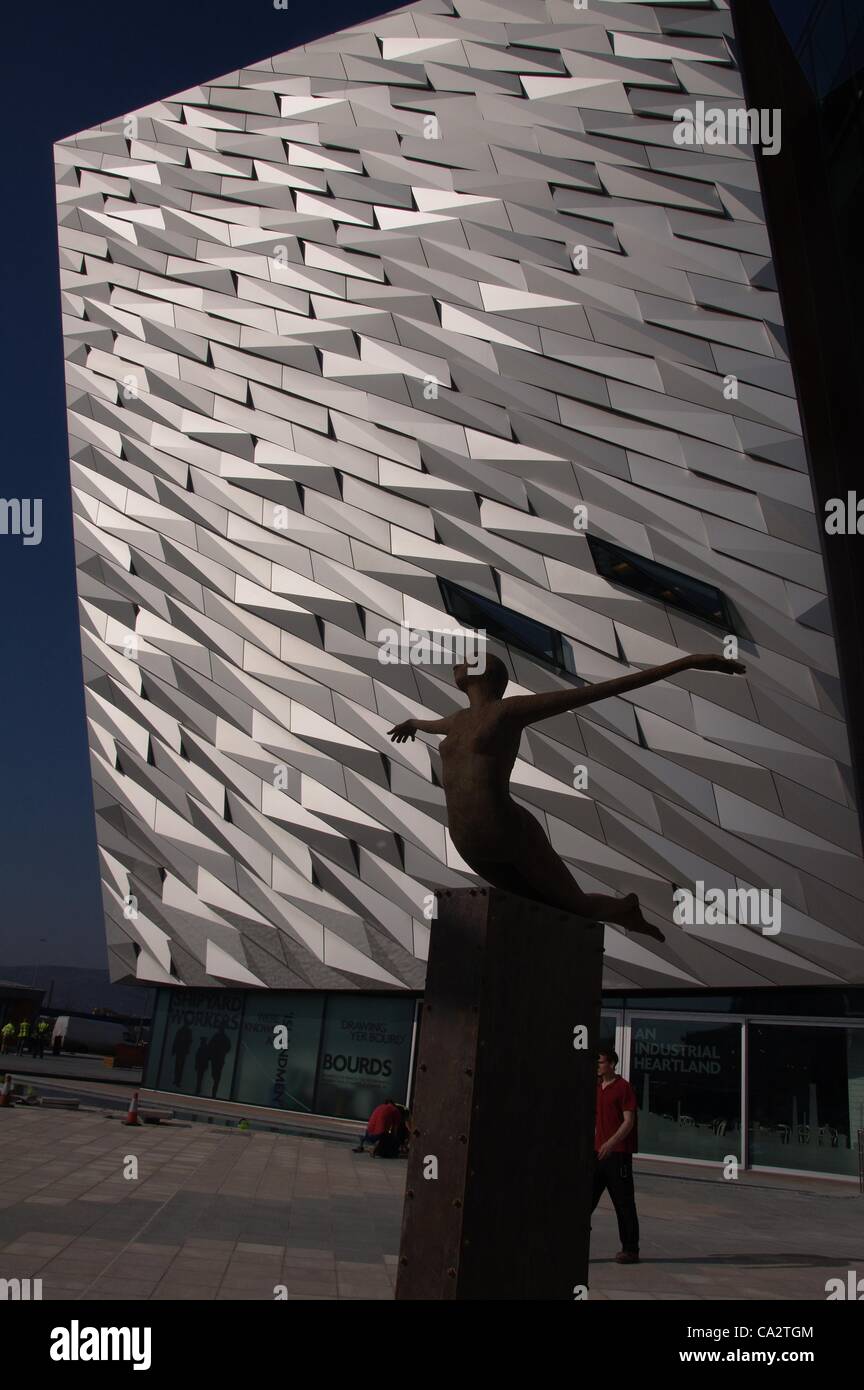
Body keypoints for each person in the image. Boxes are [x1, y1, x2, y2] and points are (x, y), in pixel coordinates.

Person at [389, 650, 745, 941]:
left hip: (506, 829)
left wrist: (688, 662)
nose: (456, 663)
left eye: (468, 659)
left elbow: (596, 691)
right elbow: (429, 725)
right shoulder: (457, 720)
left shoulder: (509, 711)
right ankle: (611, 915)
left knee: (569, 904)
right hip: (467, 837)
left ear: (486, 673)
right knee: (535, 909)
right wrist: (412, 724)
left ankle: (621, 910)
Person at [592, 1048, 640, 1265]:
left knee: (623, 1204)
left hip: (618, 1155)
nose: (598, 1065)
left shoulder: (623, 1088)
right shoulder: (597, 1087)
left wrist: (611, 1143)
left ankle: (630, 1250)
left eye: (601, 1062)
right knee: (585, 1201)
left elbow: (628, 1121)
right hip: (597, 1155)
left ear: (612, 1064)